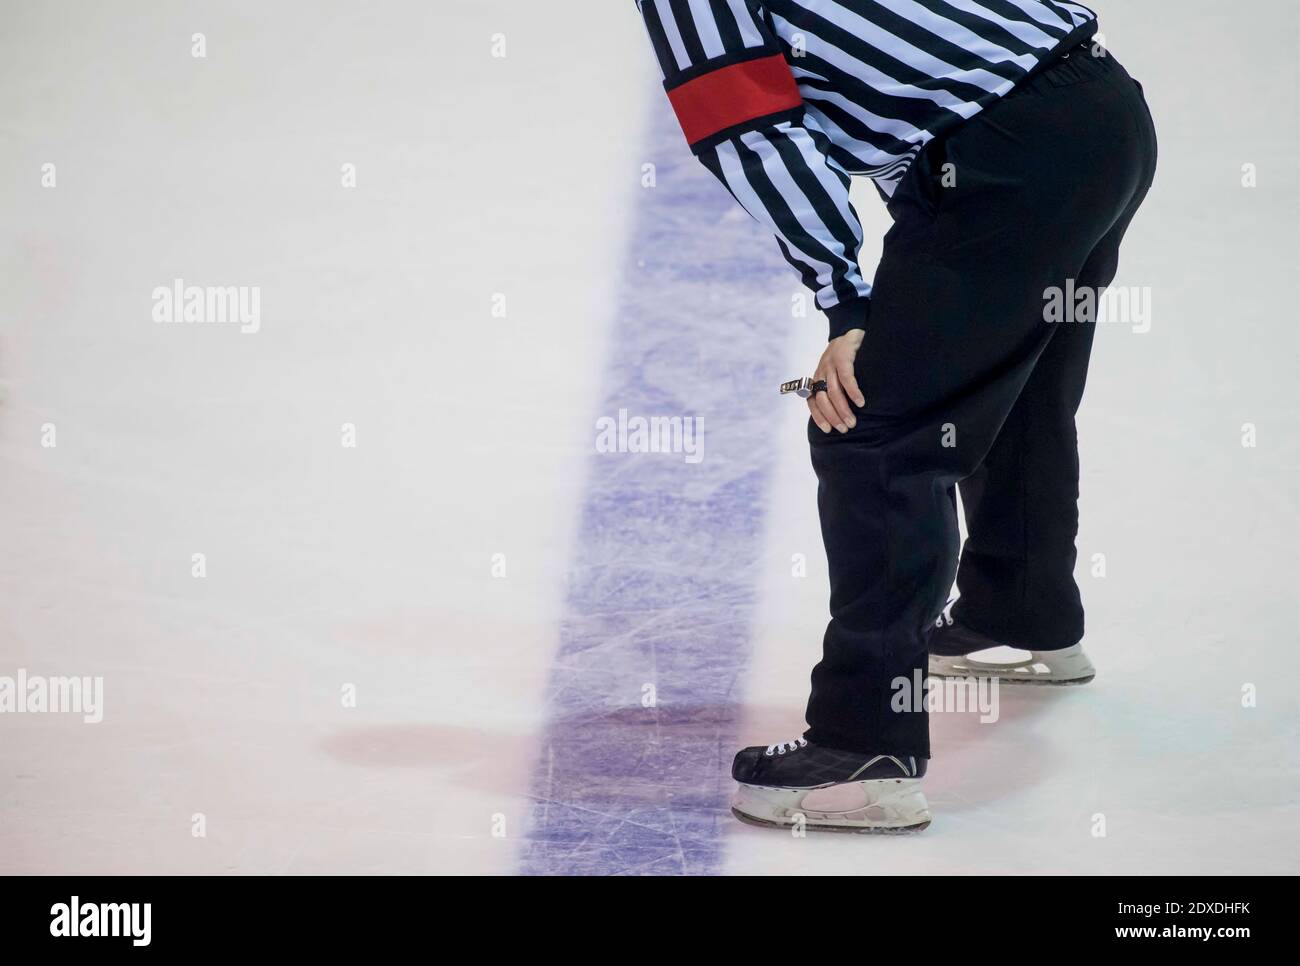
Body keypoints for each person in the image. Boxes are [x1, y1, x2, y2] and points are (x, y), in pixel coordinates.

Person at [634, 0, 1157, 832]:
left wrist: (847, 302)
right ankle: (1020, 616)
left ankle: (862, 745)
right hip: (1099, 113)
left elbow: (754, 133)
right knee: (1011, 383)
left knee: (871, 427)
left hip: (1007, 160)